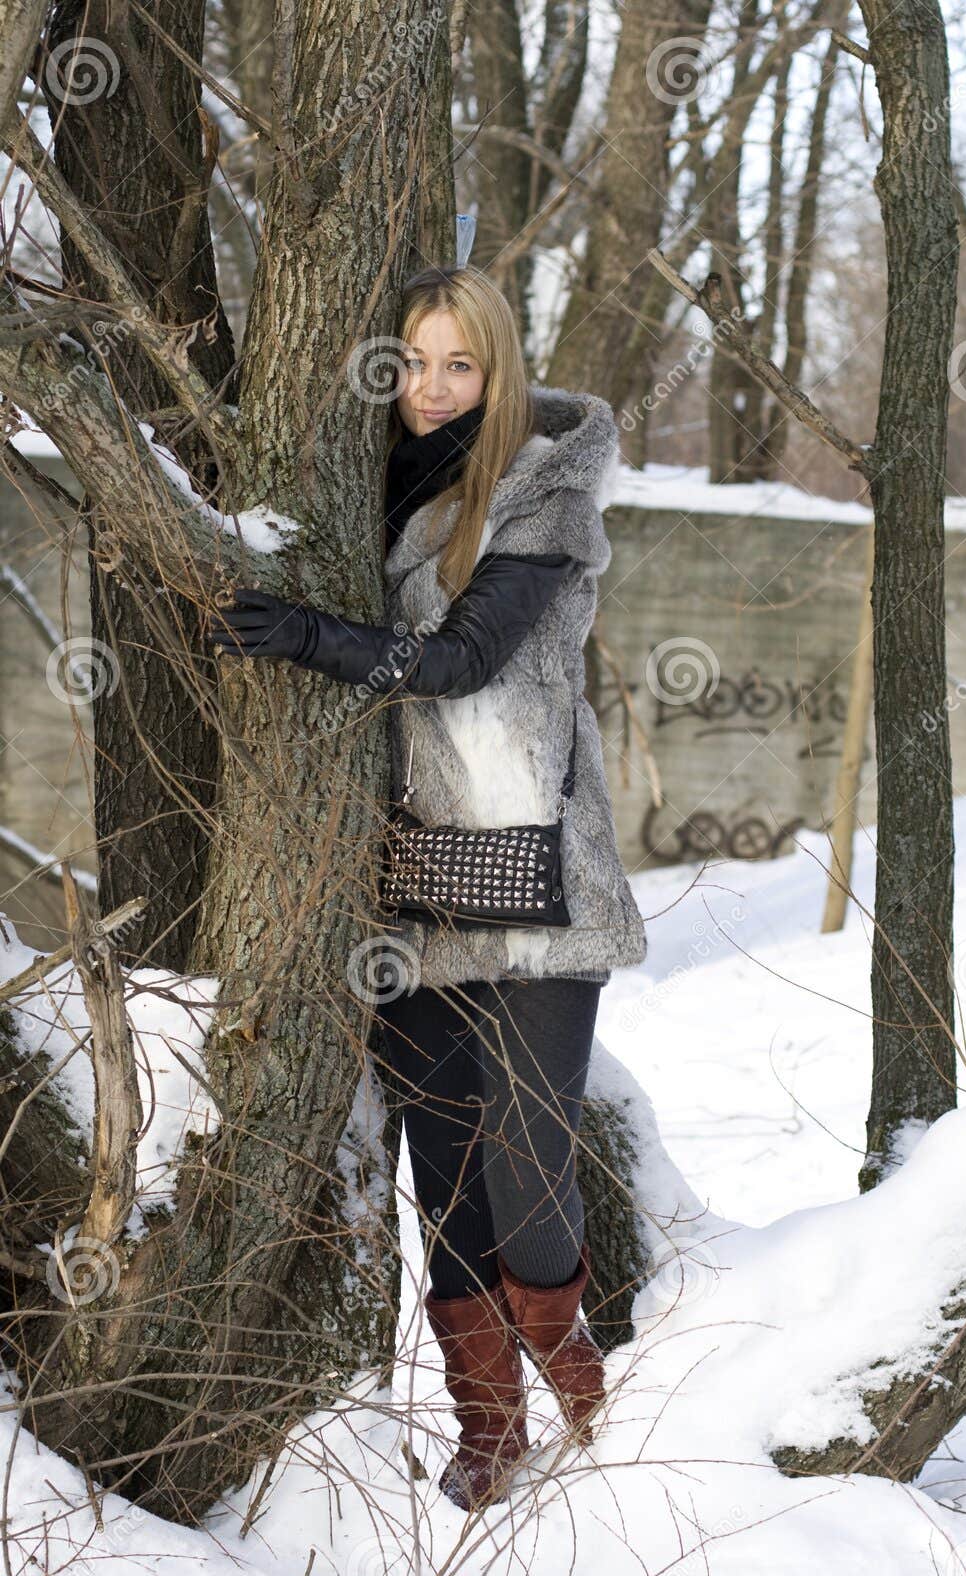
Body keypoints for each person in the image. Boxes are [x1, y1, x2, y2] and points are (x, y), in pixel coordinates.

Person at [208, 264, 647, 1512]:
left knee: (523, 1158)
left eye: (459, 364)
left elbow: (460, 659)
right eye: (411, 364)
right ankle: (487, 1430)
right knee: (443, 1170)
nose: (430, 390)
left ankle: (590, 1409)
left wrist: (303, 632)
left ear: (499, 370)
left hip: (535, 883)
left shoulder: (543, 495)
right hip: (410, 885)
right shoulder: (373, 484)